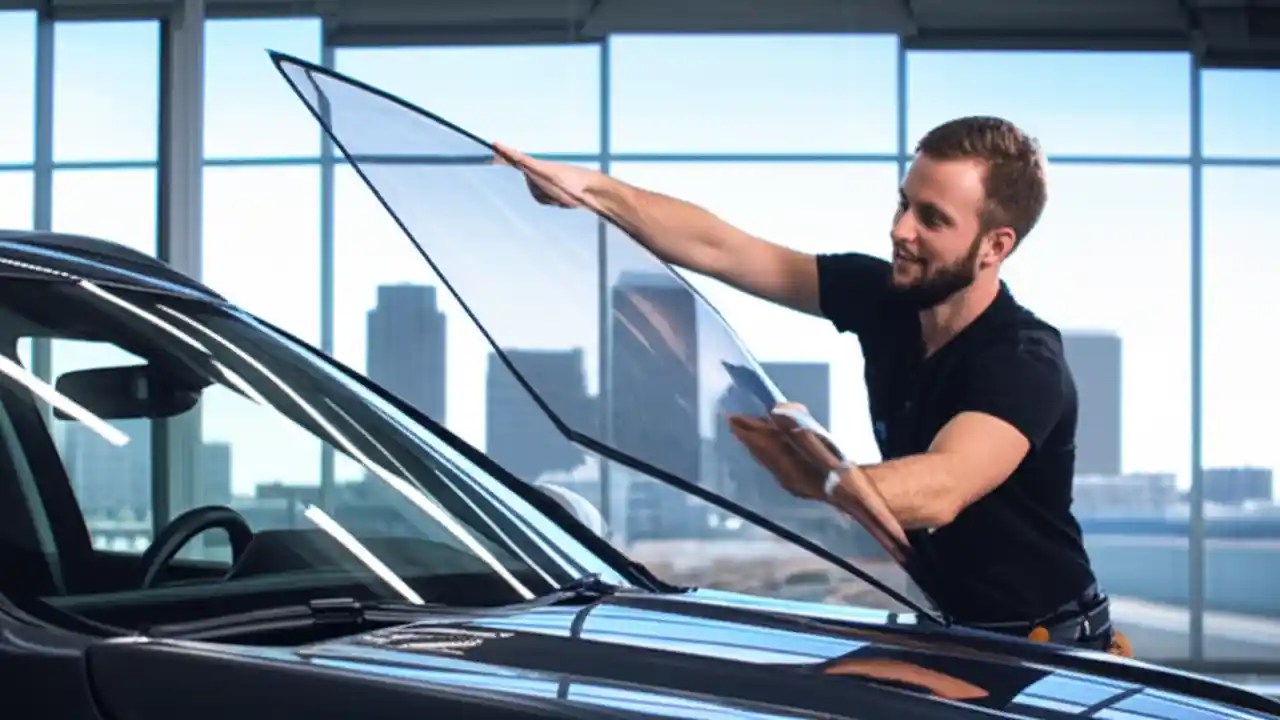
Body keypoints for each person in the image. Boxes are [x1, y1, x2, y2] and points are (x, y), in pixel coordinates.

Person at [493, 116, 1130, 656]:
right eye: (903, 203)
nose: (901, 230)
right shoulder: (882, 298)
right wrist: (593, 191)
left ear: (995, 246)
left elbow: (944, 486)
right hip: (955, 629)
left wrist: (827, 478)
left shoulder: (1022, 358)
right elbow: (723, 248)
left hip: (1051, 645)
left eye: (931, 219)